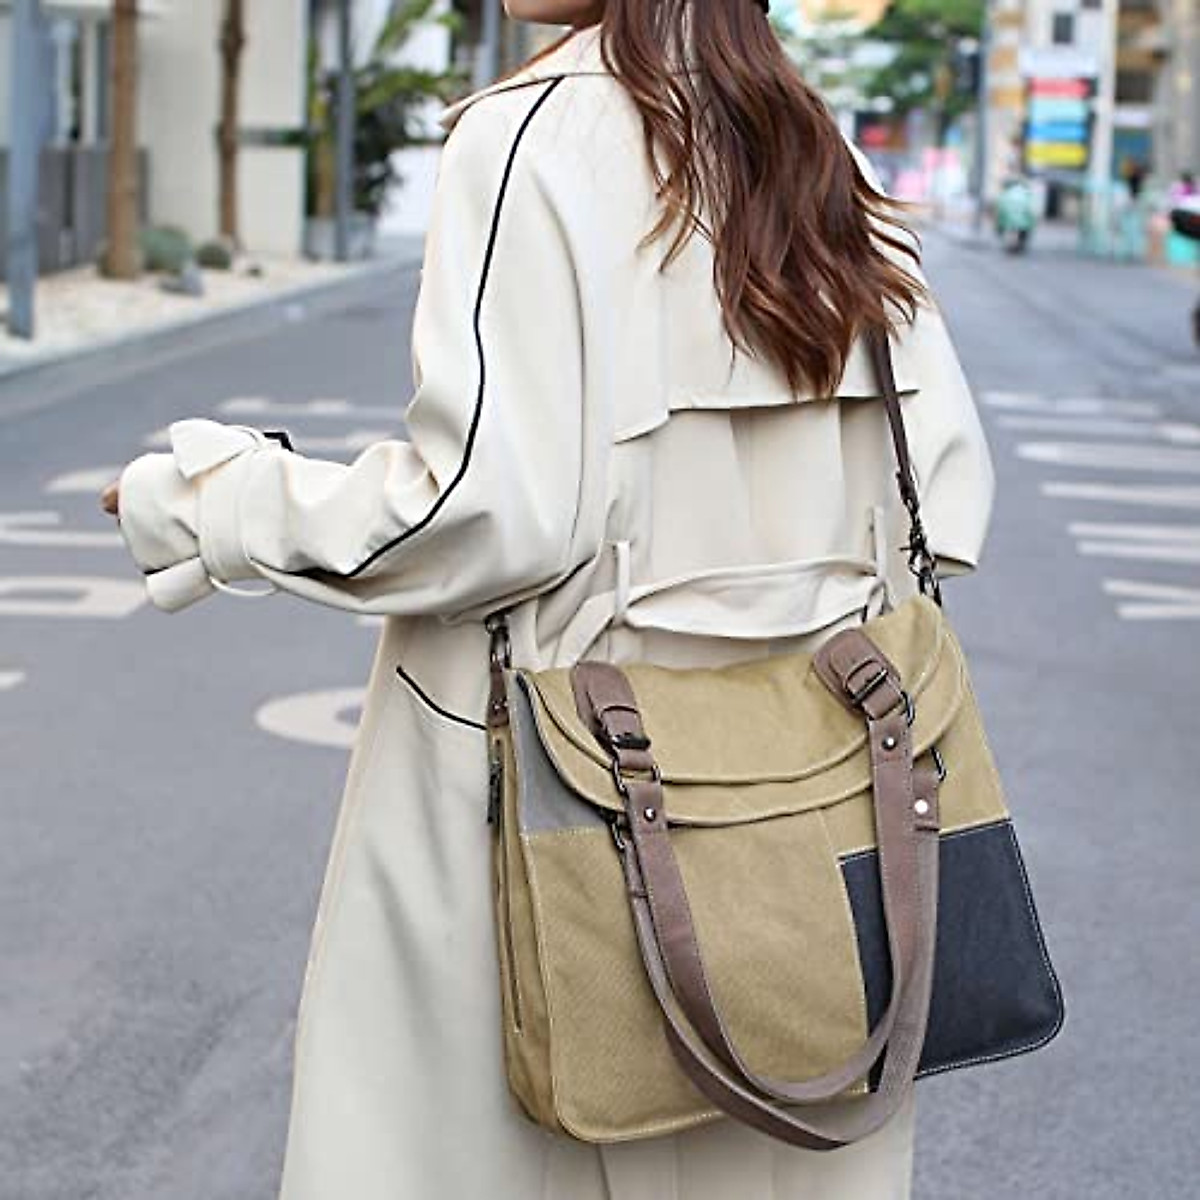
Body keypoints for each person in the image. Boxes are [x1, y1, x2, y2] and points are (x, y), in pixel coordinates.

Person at [102, 4, 994, 1198]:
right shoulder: (806, 135)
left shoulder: (530, 133)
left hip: (566, 795)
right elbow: (946, 492)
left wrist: (213, 501)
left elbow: (481, 512)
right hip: (819, 814)